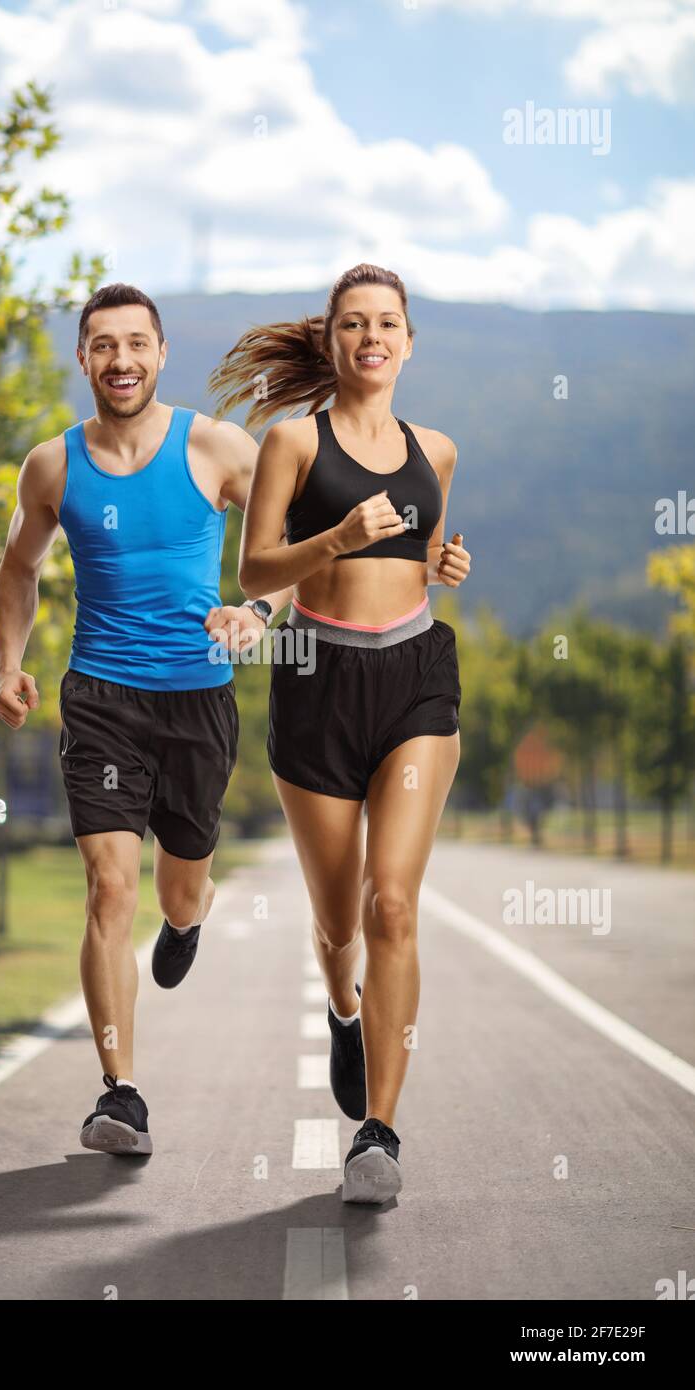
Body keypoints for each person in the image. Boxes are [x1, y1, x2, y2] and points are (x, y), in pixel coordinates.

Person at [0, 283, 292, 1157]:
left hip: (198, 700)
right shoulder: (52, 466)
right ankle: (120, 1094)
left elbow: (288, 553)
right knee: (109, 886)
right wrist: (10, 665)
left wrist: (257, 612)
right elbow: (19, 569)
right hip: (101, 699)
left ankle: (190, 920)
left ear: (159, 355)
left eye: (135, 344)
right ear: (82, 359)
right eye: (102, 345)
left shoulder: (217, 447)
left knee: (178, 885)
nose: (119, 360)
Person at [209, 263, 471, 1203]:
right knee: (337, 922)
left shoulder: (435, 450)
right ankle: (343, 1007)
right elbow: (259, 569)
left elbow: (428, 559)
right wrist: (337, 542)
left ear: (408, 341)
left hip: (413, 680)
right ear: (332, 341)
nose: (371, 337)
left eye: (387, 323)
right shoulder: (291, 440)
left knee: (390, 903)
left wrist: (443, 562)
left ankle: (380, 1136)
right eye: (353, 323)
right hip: (316, 680)